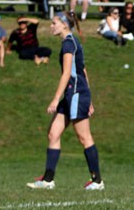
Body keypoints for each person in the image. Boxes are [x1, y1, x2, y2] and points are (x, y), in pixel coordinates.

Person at [26, 11, 104, 191]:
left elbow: (67, 73)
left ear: (64, 25)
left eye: (54, 23)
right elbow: (83, 70)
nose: (51, 26)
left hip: (76, 94)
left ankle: (97, 181)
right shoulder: (71, 42)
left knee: (84, 137)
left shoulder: (69, 43)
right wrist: (88, 97)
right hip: (72, 95)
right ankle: (48, 180)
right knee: (53, 134)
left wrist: (55, 100)